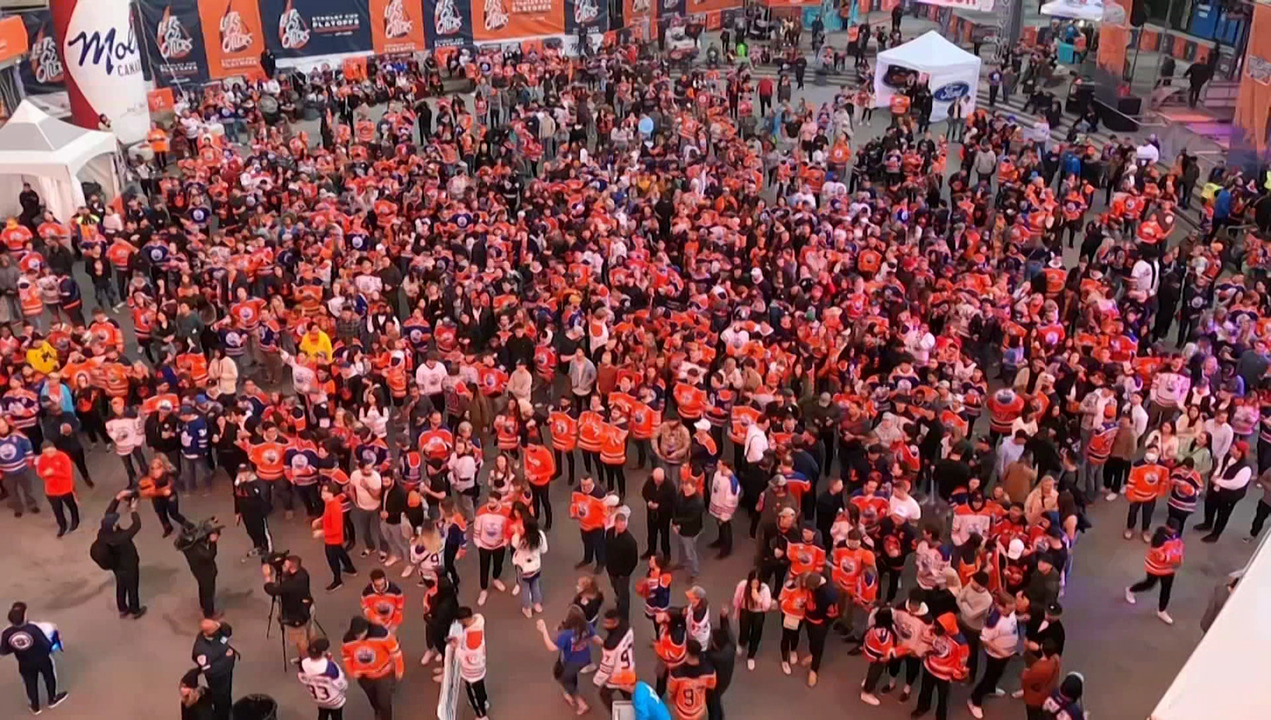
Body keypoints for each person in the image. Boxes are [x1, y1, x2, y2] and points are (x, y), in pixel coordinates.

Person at [1, 602, 67, 715]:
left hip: (24, 662)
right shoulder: (33, 629)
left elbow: (3, 650)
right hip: (41, 659)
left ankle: (35, 706)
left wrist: (18, 648)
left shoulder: (7, 633)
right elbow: (46, 645)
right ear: (24, 617)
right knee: (49, 677)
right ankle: (52, 699)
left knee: (30, 682)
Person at [93, 491, 146, 619]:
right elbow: (136, 526)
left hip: (117, 566)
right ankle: (135, 609)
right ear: (114, 526)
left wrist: (118, 498)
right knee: (132, 586)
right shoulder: (119, 538)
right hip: (128, 564)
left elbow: (108, 513)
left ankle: (122, 608)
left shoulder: (103, 533)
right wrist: (134, 510)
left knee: (121, 585)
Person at [341, 617, 403, 720]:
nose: (359, 637)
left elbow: (395, 652)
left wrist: (399, 669)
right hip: (364, 677)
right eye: (357, 635)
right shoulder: (348, 640)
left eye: (361, 634)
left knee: (384, 702)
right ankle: (378, 711)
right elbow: (346, 656)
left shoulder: (381, 635)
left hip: (383, 674)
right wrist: (351, 671)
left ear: (367, 628)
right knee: (373, 699)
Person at [535, 608, 594, 715]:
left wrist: (544, 631)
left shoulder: (566, 635)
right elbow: (594, 637)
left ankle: (580, 703)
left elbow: (552, 647)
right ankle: (570, 691)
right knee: (570, 675)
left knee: (564, 679)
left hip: (570, 661)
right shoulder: (587, 627)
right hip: (584, 659)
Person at [1125, 524, 1185, 624]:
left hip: (1169, 569)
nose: (1174, 531)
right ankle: (1131, 590)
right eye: (1172, 528)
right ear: (1167, 527)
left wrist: (1180, 559)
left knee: (1166, 589)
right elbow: (1160, 555)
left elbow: (1179, 548)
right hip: (1155, 567)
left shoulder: (1176, 537)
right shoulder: (1159, 537)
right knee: (1149, 584)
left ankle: (1162, 610)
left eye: (1175, 529)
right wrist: (1172, 559)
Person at [265, 555, 317, 656]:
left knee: (300, 641)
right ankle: (315, 651)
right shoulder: (303, 573)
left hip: (296, 615)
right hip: (307, 608)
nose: (282, 566)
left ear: (291, 568)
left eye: (284, 565)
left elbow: (273, 590)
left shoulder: (291, 584)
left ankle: (305, 661)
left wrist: (268, 578)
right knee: (310, 632)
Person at [192, 619, 237, 720]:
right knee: (220, 700)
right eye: (216, 628)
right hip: (217, 679)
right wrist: (227, 659)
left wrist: (219, 624)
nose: (219, 629)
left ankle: (228, 708)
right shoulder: (201, 649)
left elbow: (228, 631)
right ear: (208, 633)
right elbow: (209, 670)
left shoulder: (218, 632)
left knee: (227, 694)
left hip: (227, 673)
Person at [297, 637, 349, 720]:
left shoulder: (303, 665)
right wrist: (332, 662)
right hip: (334, 701)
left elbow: (302, 677)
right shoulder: (330, 667)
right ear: (323, 653)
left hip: (319, 700)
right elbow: (342, 684)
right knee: (337, 717)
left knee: (322, 715)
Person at [33, 442, 78, 537]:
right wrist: (44, 474)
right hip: (51, 490)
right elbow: (39, 472)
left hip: (65, 488)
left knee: (71, 505)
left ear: (54, 448)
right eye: (46, 452)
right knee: (57, 509)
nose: (49, 454)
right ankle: (62, 526)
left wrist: (53, 472)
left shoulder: (63, 457)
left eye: (51, 451)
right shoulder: (41, 459)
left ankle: (75, 520)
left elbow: (67, 473)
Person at [452, 607, 489, 720]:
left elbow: (469, 656)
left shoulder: (472, 640)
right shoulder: (479, 620)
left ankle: (481, 715)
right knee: (480, 687)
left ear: (464, 620)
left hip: (471, 672)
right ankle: (483, 701)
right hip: (480, 667)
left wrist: (457, 648)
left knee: (473, 693)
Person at [178, 521, 221, 619]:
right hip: (206, 572)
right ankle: (209, 614)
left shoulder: (187, 546)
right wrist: (213, 542)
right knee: (208, 593)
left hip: (197, 571)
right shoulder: (197, 549)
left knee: (202, 588)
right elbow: (210, 555)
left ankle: (203, 605)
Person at [606, 506, 639, 622]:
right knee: (616, 588)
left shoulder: (630, 542)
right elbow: (607, 548)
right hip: (611, 570)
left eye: (623, 524)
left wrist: (624, 574)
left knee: (624, 595)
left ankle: (624, 618)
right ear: (615, 523)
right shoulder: (609, 533)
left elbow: (633, 561)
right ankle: (618, 599)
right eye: (618, 524)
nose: (620, 526)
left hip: (622, 574)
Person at [673, 478, 706, 581]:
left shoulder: (698, 502)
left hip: (691, 531)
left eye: (688, 490)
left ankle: (694, 572)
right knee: (681, 547)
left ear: (694, 488)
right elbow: (675, 507)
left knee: (690, 552)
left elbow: (691, 518)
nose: (686, 492)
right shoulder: (681, 494)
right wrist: (675, 522)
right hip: (681, 528)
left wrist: (676, 522)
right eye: (684, 489)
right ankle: (681, 563)